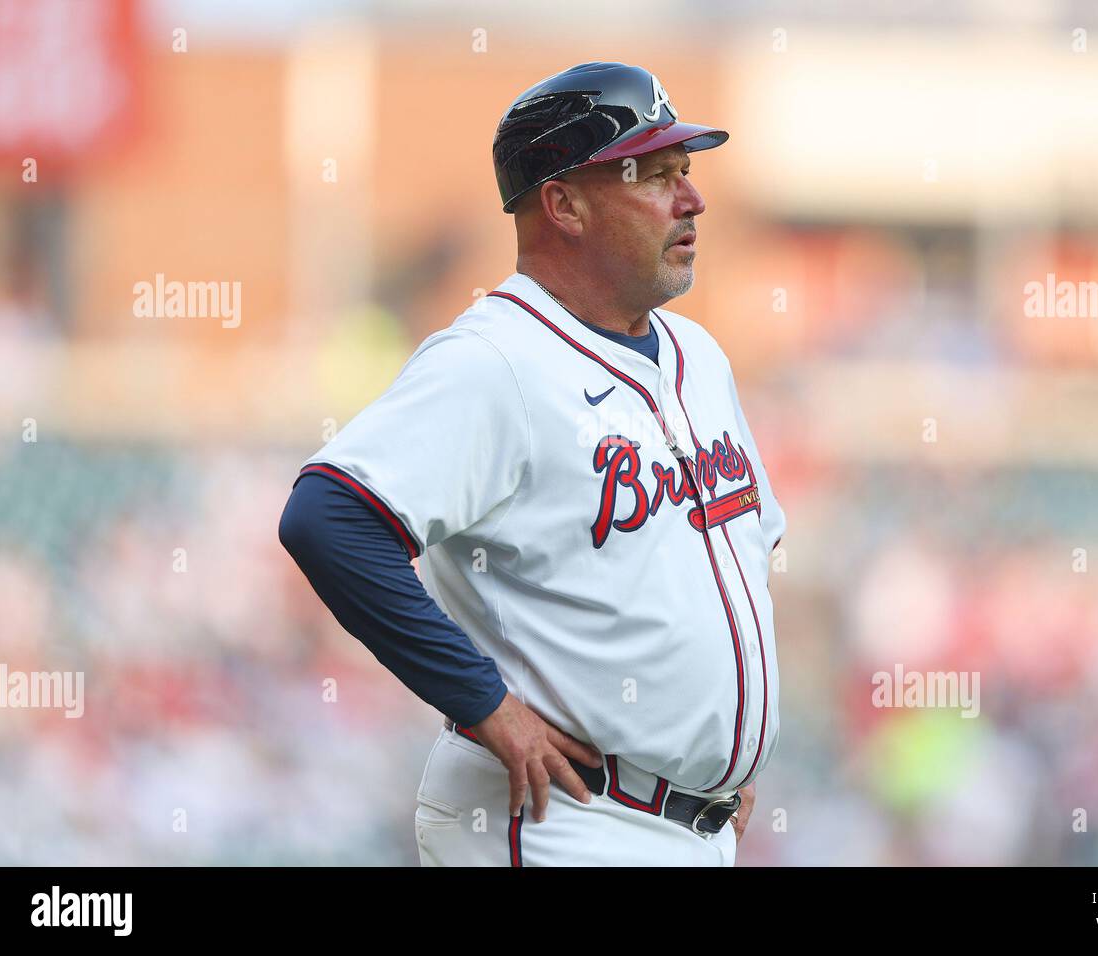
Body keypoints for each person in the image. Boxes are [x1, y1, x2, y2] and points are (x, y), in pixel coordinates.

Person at [279, 62, 785, 866]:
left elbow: (743, 551)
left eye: (684, 173)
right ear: (564, 204)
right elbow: (328, 518)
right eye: (653, 175)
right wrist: (484, 704)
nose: (691, 200)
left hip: (689, 827)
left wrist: (726, 742)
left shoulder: (700, 355)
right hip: (564, 818)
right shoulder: (494, 361)